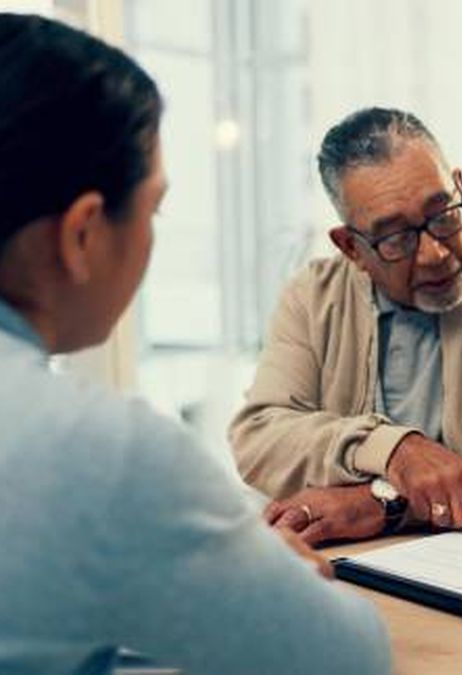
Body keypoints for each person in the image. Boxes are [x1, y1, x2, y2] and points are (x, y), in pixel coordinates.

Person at [0, 14, 389, 674]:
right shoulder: (98, 449)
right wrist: (260, 576)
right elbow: (348, 659)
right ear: (82, 234)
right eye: (154, 209)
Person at [229, 108, 462, 544]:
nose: (434, 252)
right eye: (396, 238)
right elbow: (261, 435)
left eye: (444, 214)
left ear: (459, 186)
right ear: (351, 248)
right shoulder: (311, 299)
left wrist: (384, 504)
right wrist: (394, 449)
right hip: (340, 558)